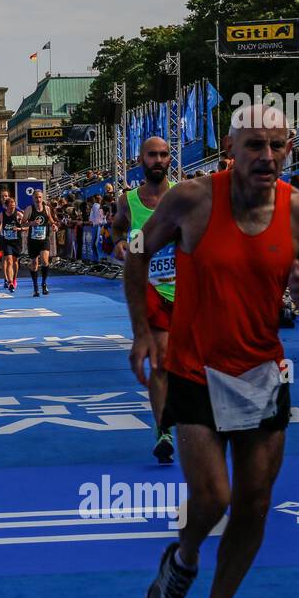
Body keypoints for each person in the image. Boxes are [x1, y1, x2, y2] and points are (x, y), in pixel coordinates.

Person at [126, 104, 299, 598]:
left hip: (262, 372)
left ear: (289, 148)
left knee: (255, 503)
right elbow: (137, 250)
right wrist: (143, 330)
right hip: (194, 369)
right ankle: (184, 558)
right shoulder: (192, 200)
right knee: (213, 496)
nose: (267, 157)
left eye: (277, 146)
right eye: (255, 146)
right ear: (230, 149)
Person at [111, 137, 177, 463]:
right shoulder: (128, 201)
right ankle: (163, 429)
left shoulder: (185, 196)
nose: (158, 160)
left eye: (164, 154)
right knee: (161, 361)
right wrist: (121, 243)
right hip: (151, 290)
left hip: (189, 290)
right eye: (152, 155)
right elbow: (118, 229)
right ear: (141, 159)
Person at [23, 190, 54, 297]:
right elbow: (22, 223)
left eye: (40, 197)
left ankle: (44, 283)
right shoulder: (29, 209)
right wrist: (31, 223)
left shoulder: (47, 208)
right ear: (33, 198)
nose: (38, 199)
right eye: (36, 197)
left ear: (42, 198)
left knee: (45, 261)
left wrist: (54, 225)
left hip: (44, 239)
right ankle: (35, 287)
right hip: (33, 240)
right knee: (34, 264)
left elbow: (51, 220)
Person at [0, 193, 23, 293]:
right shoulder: (2, 214)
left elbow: (27, 225)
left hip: (16, 241)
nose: (12, 209)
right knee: (8, 260)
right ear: (6, 207)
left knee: (15, 261)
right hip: (6, 241)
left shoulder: (18, 214)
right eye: (10, 207)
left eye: (13, 206)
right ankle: (9, 282)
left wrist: (19, 228)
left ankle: (14, 279)